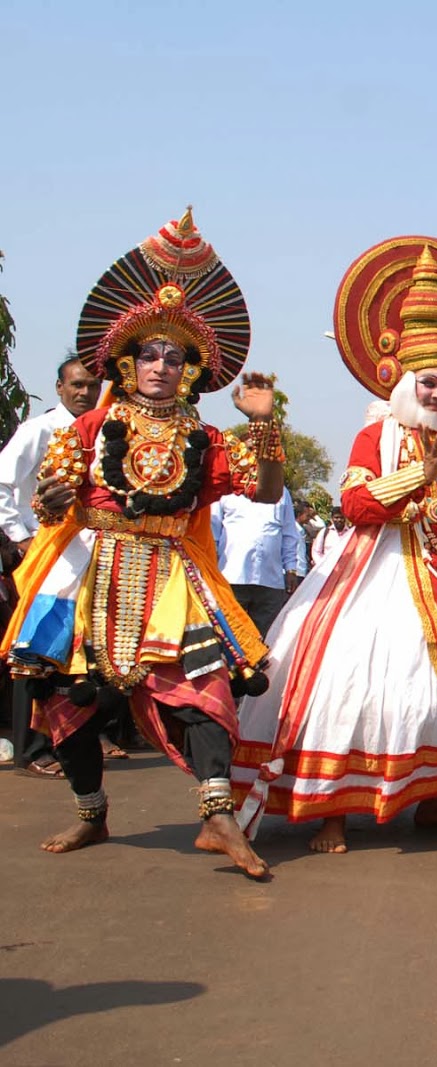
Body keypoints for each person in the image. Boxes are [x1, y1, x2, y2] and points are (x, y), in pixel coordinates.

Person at [232, 238, 437, 854]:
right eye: (429, 383)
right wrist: (417, 478)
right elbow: (355, 508)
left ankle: (433, 797)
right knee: (359, 672)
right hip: (380, 569)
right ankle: (333, 812)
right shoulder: (375, 434)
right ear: (406, 381)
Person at [1, 208, 280, 879]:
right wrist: (56, 501)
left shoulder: (208, 437)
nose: (161, 363)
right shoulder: (92, 425)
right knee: (68, 698)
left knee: (206, 691)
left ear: (188, 370)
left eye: (175, 354)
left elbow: (266, 491)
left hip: (171, 573)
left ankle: (218, 817)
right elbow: (49, 497)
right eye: (150, 352)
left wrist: (267, 426)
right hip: (86, 569)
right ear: (127, 362)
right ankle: (90, 811)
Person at [0, 355, 110, 777]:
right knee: (34, 649)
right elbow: (4, 483)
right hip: (44, 556)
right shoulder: (40, 430)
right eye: (77, 385)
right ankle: (31, 751)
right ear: (60, 388)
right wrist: (23, 538)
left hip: (83, 557)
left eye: (91, 385)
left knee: (71, 649)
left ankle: (63, 739)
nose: (84, 392)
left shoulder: (102, 430)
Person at [211, 486, 304, 634]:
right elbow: (213, 532)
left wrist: (291, 569)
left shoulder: (280, 491)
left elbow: (289, 533)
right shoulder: (227, 489)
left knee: (266, 637)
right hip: (232, 577)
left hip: (271, 579)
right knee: (231, 636)